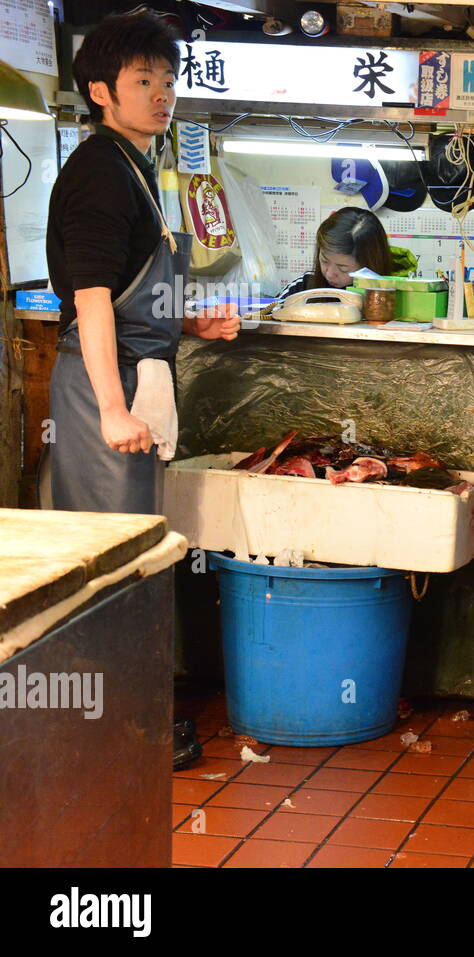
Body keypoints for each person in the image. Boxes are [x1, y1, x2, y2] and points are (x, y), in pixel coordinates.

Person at [46, 12, 240, 768]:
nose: (162, 94)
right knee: (112, 567)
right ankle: (118, 731)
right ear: (100, 91)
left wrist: (189, 324)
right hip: (103, 391)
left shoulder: (134, 164)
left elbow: (128, 297)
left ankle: (129, 719)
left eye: (168, 79)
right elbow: (92, 301)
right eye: (142, 82)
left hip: (129, 378)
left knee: (134, 556)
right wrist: (113, 409)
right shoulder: (99, 171)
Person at [278, 207, 418, 297]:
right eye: (324, 260)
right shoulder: (302, 287)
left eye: (342, 268)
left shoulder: (398, 295)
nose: (329, 273)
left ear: (369, 264)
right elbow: (264, 320)